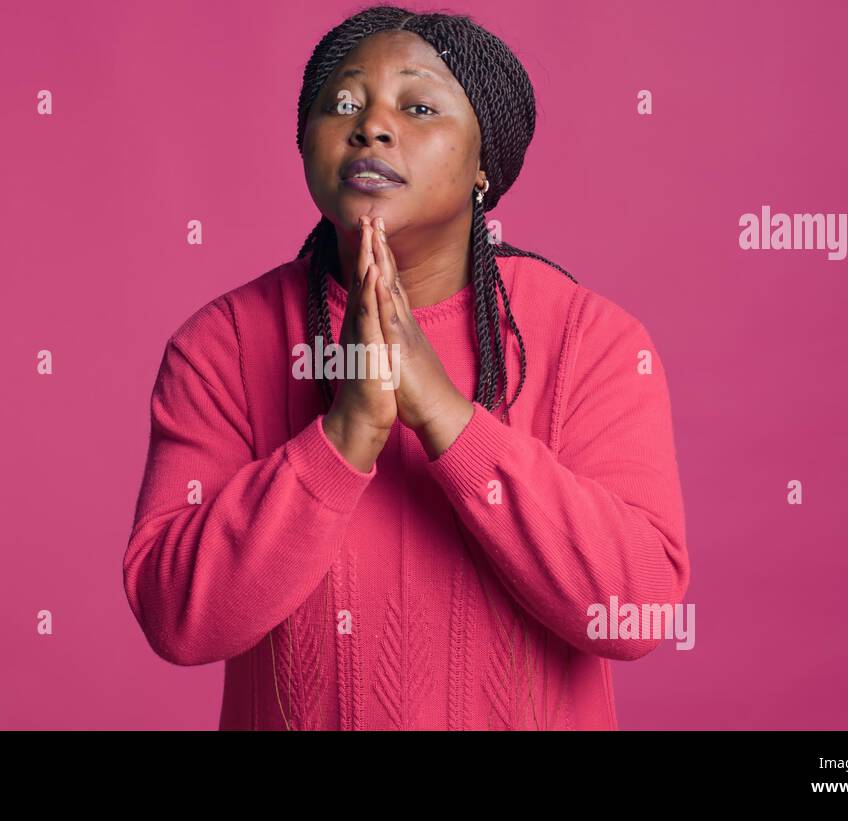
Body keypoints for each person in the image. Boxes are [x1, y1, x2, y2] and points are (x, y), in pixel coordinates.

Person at [123, 4, 689, 730]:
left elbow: (637, 609)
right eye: (343, 104)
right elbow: (177, 618)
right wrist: (347, 433)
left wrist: (446, 416)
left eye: (418, 107)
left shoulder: (592, 340)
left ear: (485, 162)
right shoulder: (221, 345)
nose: (372, 127)